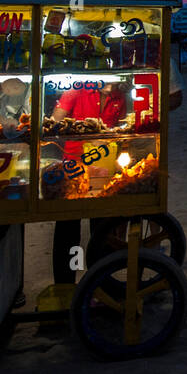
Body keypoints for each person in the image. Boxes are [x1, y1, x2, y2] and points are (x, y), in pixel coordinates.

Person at [50, 80, 126, 285]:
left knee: (101, 229)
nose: (111, 86)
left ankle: (99, 284)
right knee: (68, 226)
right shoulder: (76, 89)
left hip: (102, 166)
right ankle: (64, 286)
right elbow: (55, 121)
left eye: (115, 82)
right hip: (72, 166)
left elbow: (120, 131)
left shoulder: (119, 97)